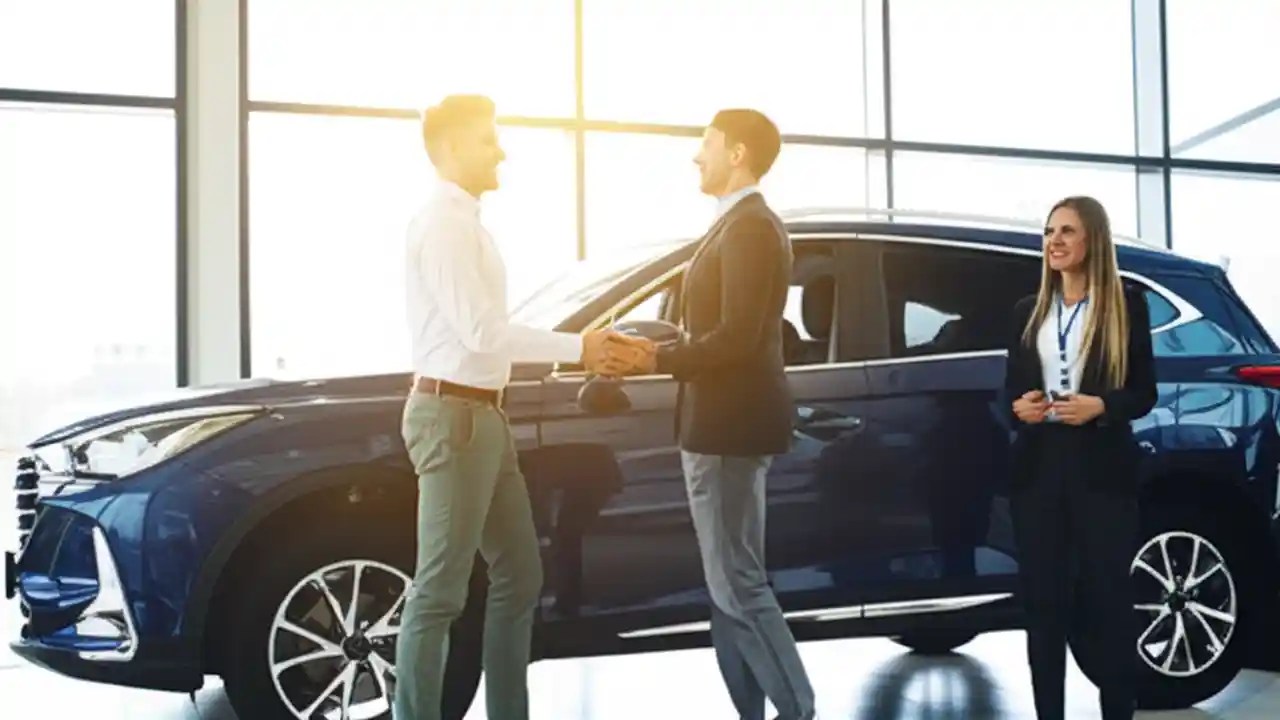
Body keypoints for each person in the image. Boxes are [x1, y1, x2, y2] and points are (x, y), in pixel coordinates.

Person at [395, 94, 647, 720]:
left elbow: (486, 335)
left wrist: (580, 347)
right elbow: (483, 332)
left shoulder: (466, 223)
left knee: (520, 575)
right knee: (439, 594)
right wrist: (581, 346)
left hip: (483, 417)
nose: (500, 149)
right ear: (451, 147)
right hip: (454, 418)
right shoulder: (443, 224)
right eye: (487, 139)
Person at [630, 109, 816, 720]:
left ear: (736, 153)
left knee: (738, 584)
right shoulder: (737, 225)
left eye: (705, 143)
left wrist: (656, 356)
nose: (695, 155)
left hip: (728, 427)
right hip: (716, 424)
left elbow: (736, 337)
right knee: (727, 588)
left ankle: (798, 710)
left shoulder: (750, 228)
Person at [1005, 195, 1157, 720]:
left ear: (1092, 239)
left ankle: (1118, 712)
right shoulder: (1030, 311)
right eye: (1049, 232)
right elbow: (1013, 393)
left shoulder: (1125, 305)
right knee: (1043, 608)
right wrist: (1021, 407)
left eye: (1067, 231)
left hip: (1101, 470)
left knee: (1109, 602)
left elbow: (1144, 392)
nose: (1054, 242)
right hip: (1040, 470)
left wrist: (1101, 406)